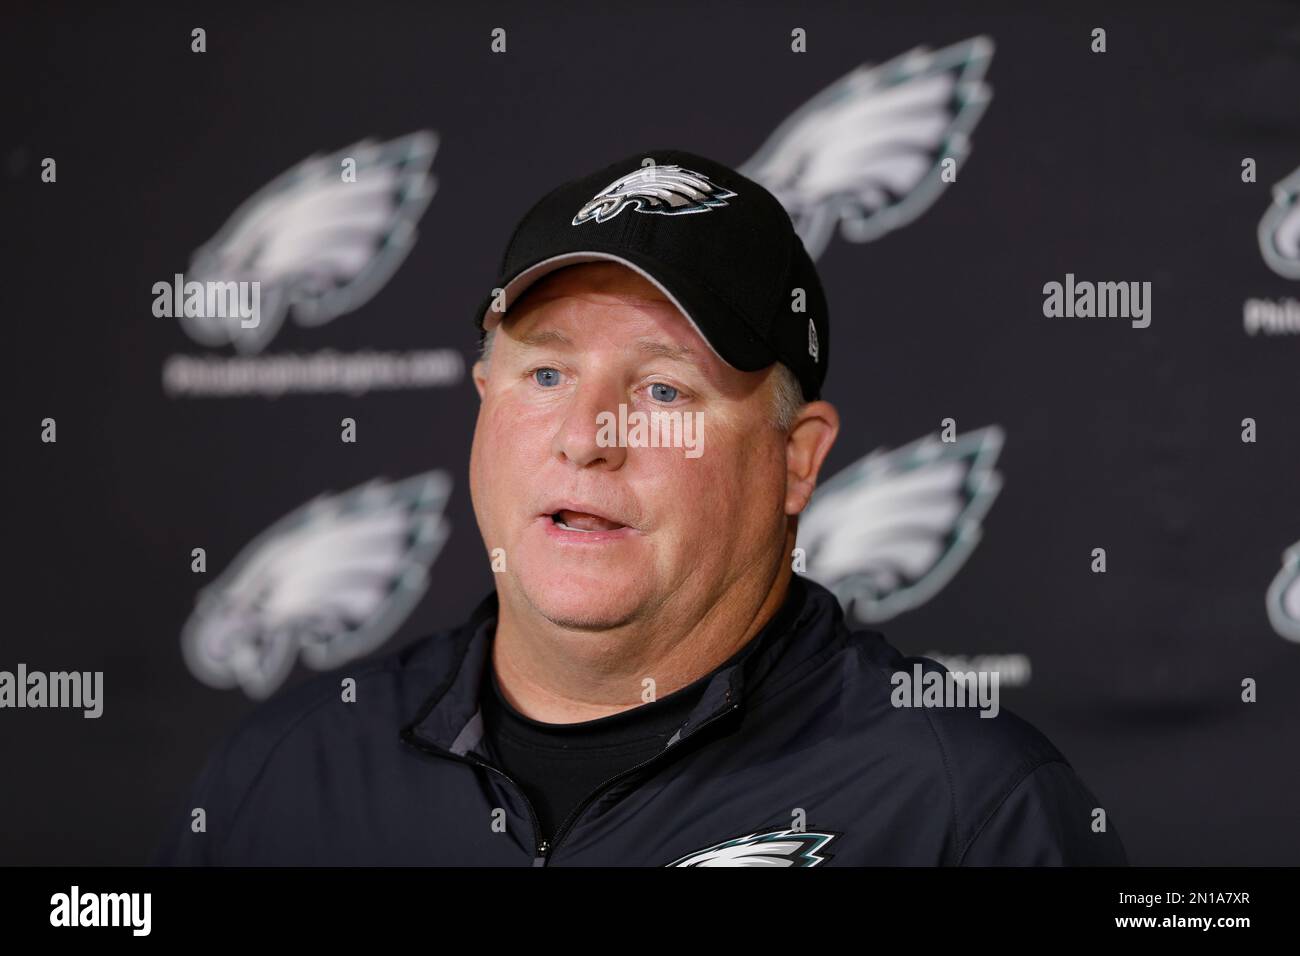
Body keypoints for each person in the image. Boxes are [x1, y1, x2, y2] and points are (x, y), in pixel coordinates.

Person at [153, 148, 1127, 866]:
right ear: (482, 401)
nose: (586, 435)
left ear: (797, 460)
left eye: (662, 391)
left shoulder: (968, 809)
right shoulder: (285, 774)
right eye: (544, 372)